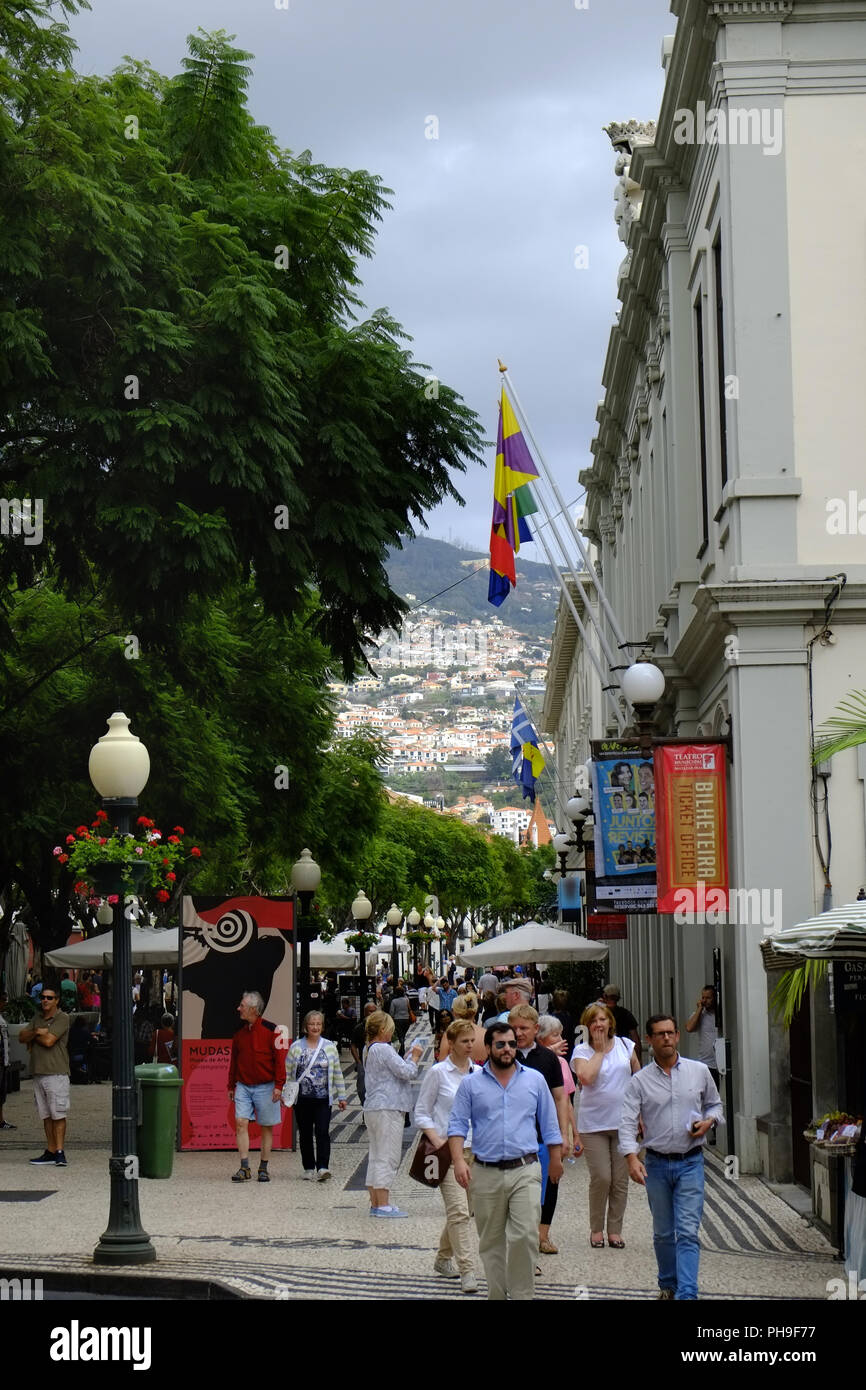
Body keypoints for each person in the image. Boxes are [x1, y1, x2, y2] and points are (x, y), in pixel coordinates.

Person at [447, 1021, 562, 1301]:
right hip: (485, 1172)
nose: (508, 1049)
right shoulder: (471, 1084)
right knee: (491, 1242)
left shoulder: (534, 1080)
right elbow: (457, 1125)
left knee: (525, 1236)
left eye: (512, 1044)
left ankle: (522, 1295)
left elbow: (549, 1122)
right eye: (501, 1044)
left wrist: (556, 1158)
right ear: (488, 1048)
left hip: (526, 1169)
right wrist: (459, 1161)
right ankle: (497, 1295)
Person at [619, 1013, 722, 1300]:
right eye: (659, 1034)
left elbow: (715, 1105)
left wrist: (709, 1121)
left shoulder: (699, 1071)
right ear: (649, 1040)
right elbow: (626, 1123)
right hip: (656, 1164)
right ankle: (668, 1284)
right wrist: (631, 1158)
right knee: (664, 1233)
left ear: (678, 1036)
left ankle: (687, 1293)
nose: (666, 1038)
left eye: (670, 1033)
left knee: (688, 1231)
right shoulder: (639, 1081)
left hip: (691, 1162)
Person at [414, 1019, 480, 1294]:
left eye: (472, 1040)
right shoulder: (439, 1073)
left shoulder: (478, 1073)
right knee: (460, 1212)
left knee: (463, 1212)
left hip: (476, 1150)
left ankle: (442, 1259)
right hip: (448, 1152)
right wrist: (439, 1139)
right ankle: (467, 1270)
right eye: (464, 1041)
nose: (470, 1045)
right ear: (450, 1044)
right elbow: (421, 1111)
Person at [572, 1002, 641, 1249]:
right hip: (593, 1125)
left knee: (620, 1180)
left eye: (602, 1019)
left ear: (610, 1021)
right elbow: (586, 1078)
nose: (599, 1024)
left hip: (624, 1123)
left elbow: (637, 1077)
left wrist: (641, 1113)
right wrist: (599, 1051)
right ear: (587, 1026)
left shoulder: (625, 1045)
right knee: (601, 1177)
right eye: (593, 1021)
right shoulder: (582, 1051)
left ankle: (615, 1230)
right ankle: (595, 1228)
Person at [508, 1003, 572, 1257]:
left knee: (549, 1185)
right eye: (514, 1028)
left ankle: (542, 1235)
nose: (519, 1033)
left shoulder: (548, 1059)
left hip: (543, 1135)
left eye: (524, 1028)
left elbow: (560, 1098)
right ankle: (525, 1244)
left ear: (536, 1029)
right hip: (514, 1137)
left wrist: (563, 1135)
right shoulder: (504, 1055)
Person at [363, 1010, 423, 1217]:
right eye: (390, 1028)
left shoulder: (369, 1048)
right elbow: (407, 1072)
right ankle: (383, 1204)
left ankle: (375, 1201)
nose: (393, 1031)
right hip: (388, 1107)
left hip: (374, 1107)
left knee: (376, 1154)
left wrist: (404, 1058)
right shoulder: (384, 1049)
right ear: (382, 1030)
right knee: (388, 1156)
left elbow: (392, 1070)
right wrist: (414, 1057)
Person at [227, 990, 286, 1183]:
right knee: (241, 1123)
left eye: (242, 1006)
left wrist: (279, 1085)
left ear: (253, 1009)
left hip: (266, 1085)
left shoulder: (272, 1029)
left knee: (266, 1127)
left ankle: (263, 1167)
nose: (238, 1008)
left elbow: (280, 1060)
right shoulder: (239, 1032)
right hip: (243, 1085)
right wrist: (231, 1085)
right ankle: (244, 1168)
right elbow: (233, 1061)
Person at [285, 1010, 347, 1181]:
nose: (315, 1027)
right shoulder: (296, 1047)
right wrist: (287, 1094)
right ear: (305, 1026)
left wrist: (342, 1096)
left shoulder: (329, 1046)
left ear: (322, 1026)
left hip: (323, 1098)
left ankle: (323, 1167)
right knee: (304, 1133)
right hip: (302, 1099)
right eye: (312, 1024)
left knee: (322, 1131)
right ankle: (308, 1167)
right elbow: (288, 1073)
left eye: (318, 1024)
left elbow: (337, 1073)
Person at [20, 986, 70, 1166]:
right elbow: (21, 1036)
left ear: (57, 1000)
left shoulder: (62, 1018)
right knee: (46, 1115)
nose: (45, 1000)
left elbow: (50, 1041)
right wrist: (36, 1032)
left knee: (58, 1113)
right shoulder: (38, 1018)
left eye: (49, 998)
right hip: (39, 1072)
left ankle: (59, 1151)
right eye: (43, 997)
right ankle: (50, 1150)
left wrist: (34, 1036)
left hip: (56, 1072)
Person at [537, 1015, 582, 1161]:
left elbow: (567, 1101)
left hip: (556, 1126)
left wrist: (574, 1134)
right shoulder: (528, 1063)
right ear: (540, 1038)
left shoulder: (562, 1063)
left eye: (560, 1034)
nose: (560, 1039)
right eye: (555, 1035)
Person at [438, 994, 486, 1064]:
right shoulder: (486, 1034)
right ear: (475, 1012)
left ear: (454, 1013)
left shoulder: (449, 1035)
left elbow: (441, 1066)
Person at [351, 1001, 378, 1108]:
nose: (372, 1014)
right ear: (364, 1012)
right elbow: (352, 1045)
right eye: (370, 1011)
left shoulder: (380, 1027)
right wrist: (358, 1062)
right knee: (362, 1089)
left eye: (374, 1011)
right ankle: (366, 1108)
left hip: (377, 1064)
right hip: (363, 1064)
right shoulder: (359, 1028)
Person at [601, 985, 641, 1051]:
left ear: (604, 996)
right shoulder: (626, 1014)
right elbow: (635, 1039)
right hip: (622, 1050)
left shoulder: (599, 1013)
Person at [0, 991, 15, 1130]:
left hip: (4, 1060)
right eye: (4, 1000)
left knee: (2, 1092)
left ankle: (1, 1120)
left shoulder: (2, 1018)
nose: (5, 1003)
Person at [388, 985, 412, 1056]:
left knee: (400, 1035)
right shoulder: (406, 999)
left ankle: (402, 1048)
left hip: (397, 1020)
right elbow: (409, 1009)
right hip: (406, 1019)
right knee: (403, 1034)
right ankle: (402, 1047)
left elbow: (391, 1012)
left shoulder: (394, 1001)